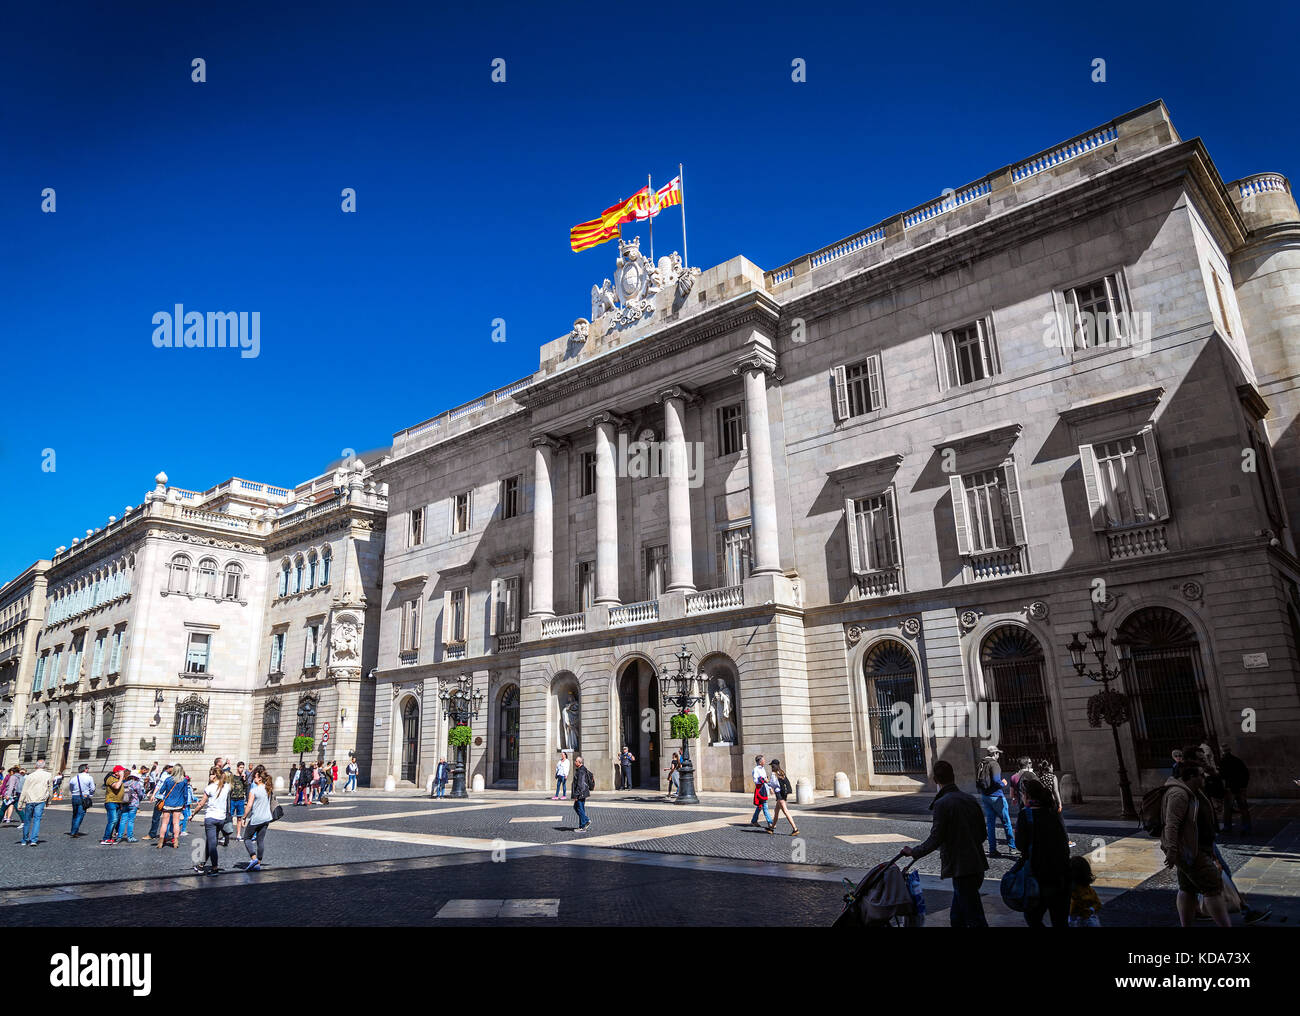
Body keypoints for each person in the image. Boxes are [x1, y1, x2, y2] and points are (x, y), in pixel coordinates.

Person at [901, 760, 989, 927]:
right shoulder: (969, 799)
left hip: (962, 869)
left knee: (975, 917)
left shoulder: (942, 804)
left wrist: (914, 851)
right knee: (957, 916)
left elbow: (935, 838)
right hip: (977, 864)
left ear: (935, 780)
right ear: (953, 776)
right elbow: (982, 834)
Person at [1160, 761, 1230, 927]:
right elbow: (1172, 824)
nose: (1204, 777)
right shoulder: (1179, 794)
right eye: (1200, 774)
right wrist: (1171, 850)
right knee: (1212, 887)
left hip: (1193, 848)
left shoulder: (1192, 791)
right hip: (1190, 850)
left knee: (1187, 888)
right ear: (1191, 776)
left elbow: (1218, 791)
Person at [1015, 774, 1071, 926]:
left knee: (1033, 918)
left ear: (1026, 796)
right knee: (1060, 920)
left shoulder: (1025, 816)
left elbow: (1020, 844)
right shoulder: (1052, 812)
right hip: (1060, 874)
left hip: (1038, 873)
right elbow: (1063, 841)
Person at [189, 768, 233, 875]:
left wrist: (193, 814)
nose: (209, 776)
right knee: (211, 842)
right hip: (221, 819)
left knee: (212, 844)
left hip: (211, 818)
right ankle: (201, 865)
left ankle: (214, 867)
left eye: (210, 774)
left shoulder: (209, 788)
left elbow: (201, 804)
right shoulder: (226, 787)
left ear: (213, 776)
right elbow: (230, 781)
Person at [976, 745, 1017, 857]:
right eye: (998, 753)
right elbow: (996, 780)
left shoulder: (982, 763)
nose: (999, 755)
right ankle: (1012, 848)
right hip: (997, 797)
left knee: (990, 824)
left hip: (985, 796)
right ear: (994, 754)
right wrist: (1004, 783)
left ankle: (992, 849)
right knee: (1006, 822)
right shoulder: (994, 764)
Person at [239, 766, 275, 871]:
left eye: (255, 776)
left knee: (246, 838)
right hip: (266, 818)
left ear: (259, 778)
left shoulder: (254, 790)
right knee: (260, 840)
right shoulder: (268, 788)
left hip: (256, 818)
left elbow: (249, 806)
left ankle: (254, 858)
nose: (254, 778)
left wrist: (244, 817)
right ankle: (258, 863)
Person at [17, 757, 54, 846]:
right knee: (37, 820)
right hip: (40, 800)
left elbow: (24, 790)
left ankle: (24, 840)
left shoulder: (30, 776)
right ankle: (34, 840)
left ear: (35, 766)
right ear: (44, 766)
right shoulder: (48, 775)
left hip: (29, 800)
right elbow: (50, 789)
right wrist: (49, 801)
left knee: (27, 820)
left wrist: (20, 803)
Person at [1219, 745, 1251, 836]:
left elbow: (1222, 775)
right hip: (1240, 787)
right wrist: (1244, 786)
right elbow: (1246, 773)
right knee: (1243, 807)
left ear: (1222, 751)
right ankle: (1246, 826)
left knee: (1228, 808)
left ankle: (1227, 826)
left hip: (1230, 788)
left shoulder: (1223, 761)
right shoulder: (1237, 760)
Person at [155, 765, 189, 849]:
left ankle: (161, 841)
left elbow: (161, 790)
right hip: (178, 804)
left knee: (164, 823)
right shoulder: (184, 781)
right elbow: (185, 794)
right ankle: (176, 842)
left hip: (167, 803)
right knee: (176, 823)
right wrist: (185, 803)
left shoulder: (168, 780)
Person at [767, 759, 800, 836]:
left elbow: (773, 784)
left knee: (785, 811)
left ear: (775, 765)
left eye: (772, 765)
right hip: (783, 794)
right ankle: (771, 828)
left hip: (779, 794)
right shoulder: (781, 772)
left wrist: (767, 782)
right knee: (776, 811)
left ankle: (795, 828)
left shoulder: (774, 774)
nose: (771, 767)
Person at [1068, 855, 1102, 927]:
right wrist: (1091, 910)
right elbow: (1098, 904)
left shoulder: (1070, 891)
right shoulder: (1089, 890)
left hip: (1076, 920)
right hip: (1089, 919)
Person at [145, 764, 173, 840]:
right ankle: (152, 834)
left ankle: (167, 835)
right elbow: (159, 785)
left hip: (168, 799)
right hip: (161, 798)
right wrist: (153, 794)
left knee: (169, 818)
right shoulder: (164, 774)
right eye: (172, 767)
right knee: (156, 817)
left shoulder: (174, 776)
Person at [101, 765, 127, 844]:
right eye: (121, 771)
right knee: (113, 820)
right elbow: (116, 786)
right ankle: (105, 838)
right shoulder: (110, 778)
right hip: (111, 802)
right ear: (117, 772)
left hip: (118, 803)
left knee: (116, 821)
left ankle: (113, 835)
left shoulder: (118, 779)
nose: (123, 773)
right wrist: (121, 777)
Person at [67, 763, 95, 837]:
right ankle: (74, 831)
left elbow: (70, 787)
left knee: (75, 814)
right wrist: (90, 794)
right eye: (87, 768)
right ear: (85, 769)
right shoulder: (89, 778)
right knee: (80, 814)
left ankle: (73, 830)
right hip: (84, 796)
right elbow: (93, 788)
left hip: (74, 796)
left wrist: (74, 792)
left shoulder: (74, 778)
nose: (88, 769)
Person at [118, 767, 145, 843]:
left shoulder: (124, 783)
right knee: (131, 821)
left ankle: (119, 836)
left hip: (125, 803)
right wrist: (139, 799)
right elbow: (140, 794)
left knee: (123, 820)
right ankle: (130, 837)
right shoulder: (137, 784)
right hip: (133, 804)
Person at [750, 755, 774, 832]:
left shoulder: (763, 768)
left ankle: (754, 821)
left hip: (764, 788)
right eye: (763, 760)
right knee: (765, 806)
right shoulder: (756, 769)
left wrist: (770, 788)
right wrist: (763, 780)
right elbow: (756, 780)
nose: (765, 761)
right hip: (760, 789)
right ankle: (770, 823)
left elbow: (766, 779)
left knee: (760, 806)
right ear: (760, 762)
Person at [571, 755, 594, 831]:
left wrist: (576, 795)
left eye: (576, 761)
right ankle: (582, 825)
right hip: (582, 793)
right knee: (579, 808)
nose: (575, 762)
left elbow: (580, 784)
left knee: (579, 808)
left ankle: (584, 824)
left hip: (581, 793)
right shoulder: (582, 769)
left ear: (579, 762)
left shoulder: (581, 771)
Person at [229, 762, 249, 842]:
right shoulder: (232, 777)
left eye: (243, 767)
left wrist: (244, 779)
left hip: (240, 799)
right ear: (237, 767)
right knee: (229, 817)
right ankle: (226, 834)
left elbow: (246, 787)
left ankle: (238, 834)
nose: (242, 769)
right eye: (240, 767)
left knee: (239, 818)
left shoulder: (243, 777)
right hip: (232, 799)